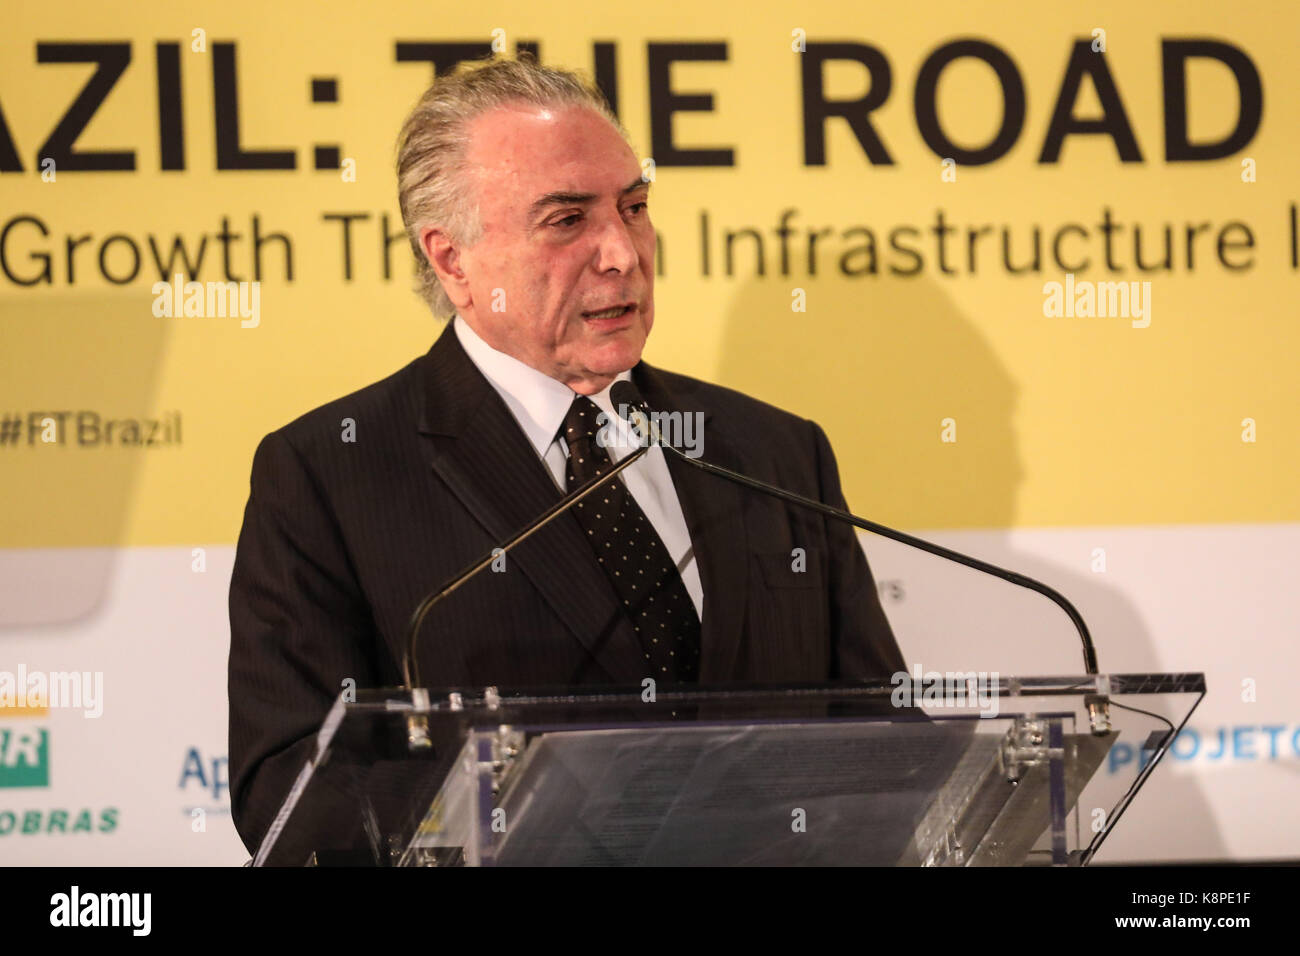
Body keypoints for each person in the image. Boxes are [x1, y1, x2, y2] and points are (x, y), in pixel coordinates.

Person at [227, 53, 905, 856]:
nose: (622, 252)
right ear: (452, 260)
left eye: (635, 206)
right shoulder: (330, 474)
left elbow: (887, 740)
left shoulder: (773, 451)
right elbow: (289, 797)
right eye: (567, 219)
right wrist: (530, 809)